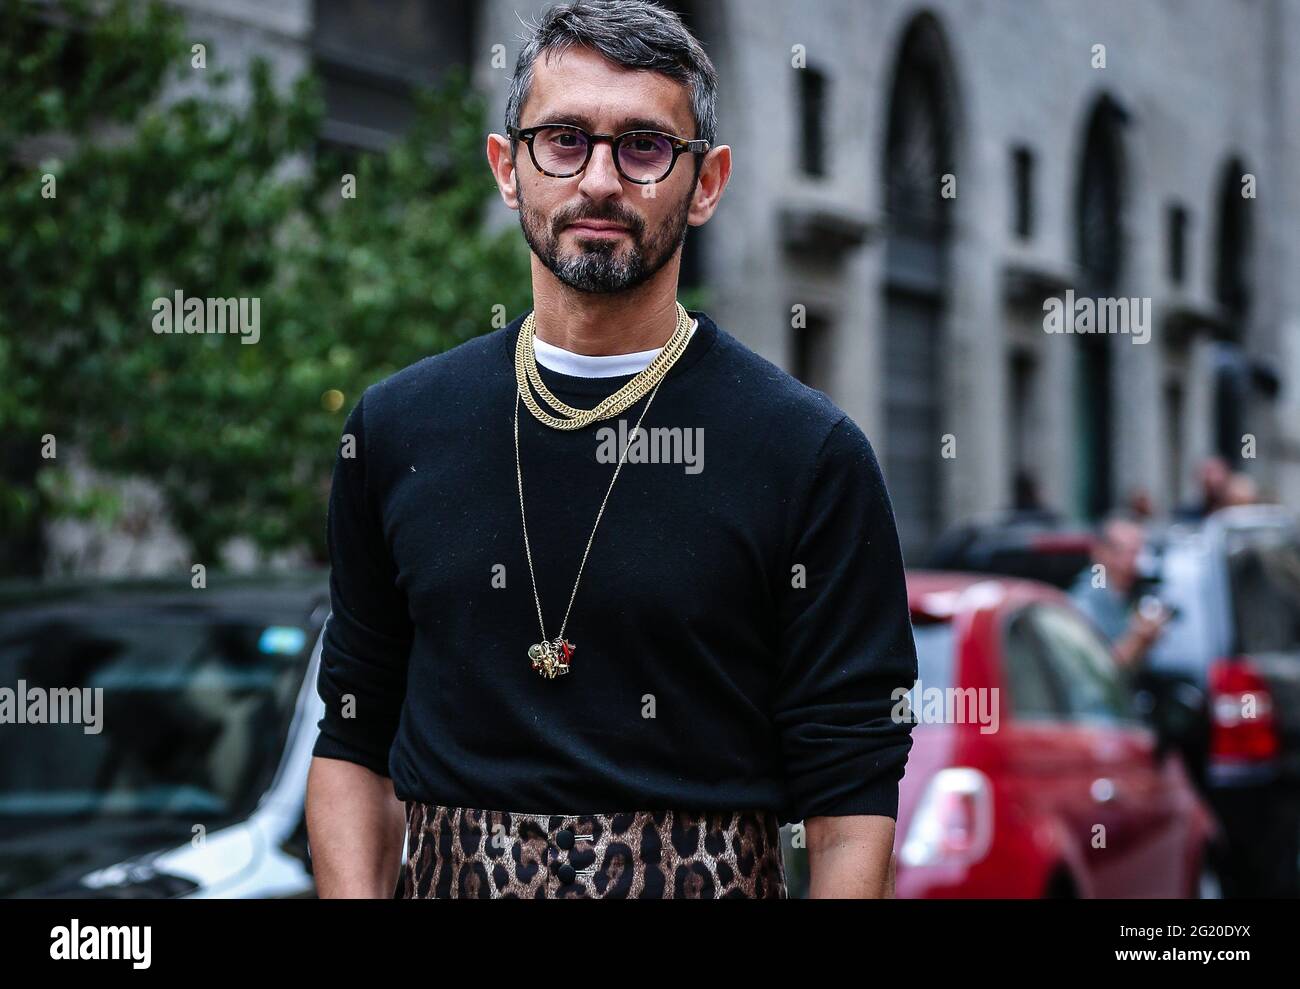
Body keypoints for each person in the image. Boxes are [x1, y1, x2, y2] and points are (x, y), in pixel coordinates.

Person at [305, 0, 917, 900]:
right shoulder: (397, 429)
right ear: (507, 167)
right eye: (563, 139)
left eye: (642, 146)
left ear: (705, 183)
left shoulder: (806, 453)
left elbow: (849, 799)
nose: (598, 181)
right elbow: (354, 740)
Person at [1069, 513, 1168, 670]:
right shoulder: (1087, 601)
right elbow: (1097, 672)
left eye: (1138, 552)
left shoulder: (1127, 592)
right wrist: (1138, 638)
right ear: (1102, 552)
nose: (1135, 561)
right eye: (1128, 552)